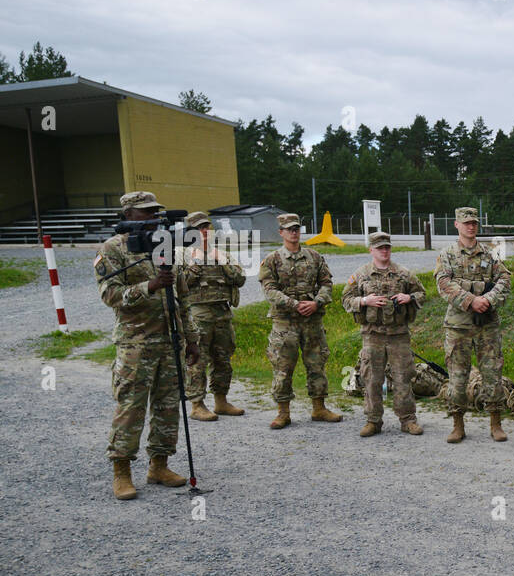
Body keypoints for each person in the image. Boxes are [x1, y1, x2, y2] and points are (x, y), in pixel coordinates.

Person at [95, 191, 200, 499]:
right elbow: (109, 294)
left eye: (156, 211)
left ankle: (159, 465)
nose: (154, 217)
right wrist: (149, 286)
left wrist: (191, 339)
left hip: (170, 342)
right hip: (135, 343)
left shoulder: (165, 244)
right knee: (131, 407)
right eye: (146, 212)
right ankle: (122, 471)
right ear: (128, 215)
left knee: (168, 407)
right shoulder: (112, 248)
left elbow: (183, 299)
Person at [258, 213, 342, 429]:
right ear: (281, 233)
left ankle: (319, 408)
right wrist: (294, 304)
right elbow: (270, 291)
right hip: (285, 324)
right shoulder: (272, 260)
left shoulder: (315, 257)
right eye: (289, 229)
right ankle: (283, 412)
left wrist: (317, 302)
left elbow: (326, 283)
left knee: (317, 365)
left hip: (312, 322)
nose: (294, 232)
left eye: (296, 228)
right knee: (283, 368)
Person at [434, 207, 511, 443]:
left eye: (474, 223)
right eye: (466, 223)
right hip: (459, 327)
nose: (471, 226)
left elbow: (505, 279)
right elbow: (442, 282)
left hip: (487, 325)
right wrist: (471, 301)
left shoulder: (490, 254)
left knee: (492, 374)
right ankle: (458, 424)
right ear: (456, 225)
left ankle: (495, 423)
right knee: (458, 377)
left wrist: (487, 299)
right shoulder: (447, 254)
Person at [341, 231, 426, 436]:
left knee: (403, 376)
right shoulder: (361, 275)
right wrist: (364, 301)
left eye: (387, 247)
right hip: (373, 335)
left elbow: (422, 294)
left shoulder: (404, 273)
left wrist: (409, 297)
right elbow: (345, 300)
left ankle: (407, 419)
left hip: (398, 334)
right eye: (380, 248)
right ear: (371, 250)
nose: (384, 251)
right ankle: (373, 420)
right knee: (371, 378)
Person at [181, 210, 246, 421]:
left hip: (222, 313)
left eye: (207, 227)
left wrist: (222, 261)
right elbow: (179, 285)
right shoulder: (181, 254)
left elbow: (240, 278)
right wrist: (197, 263)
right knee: (198, 360)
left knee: (223, 359)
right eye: (199, 228)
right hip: (198, 315)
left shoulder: (222, 253)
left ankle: (221, 401)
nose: (205, 231)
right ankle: (197, 404)